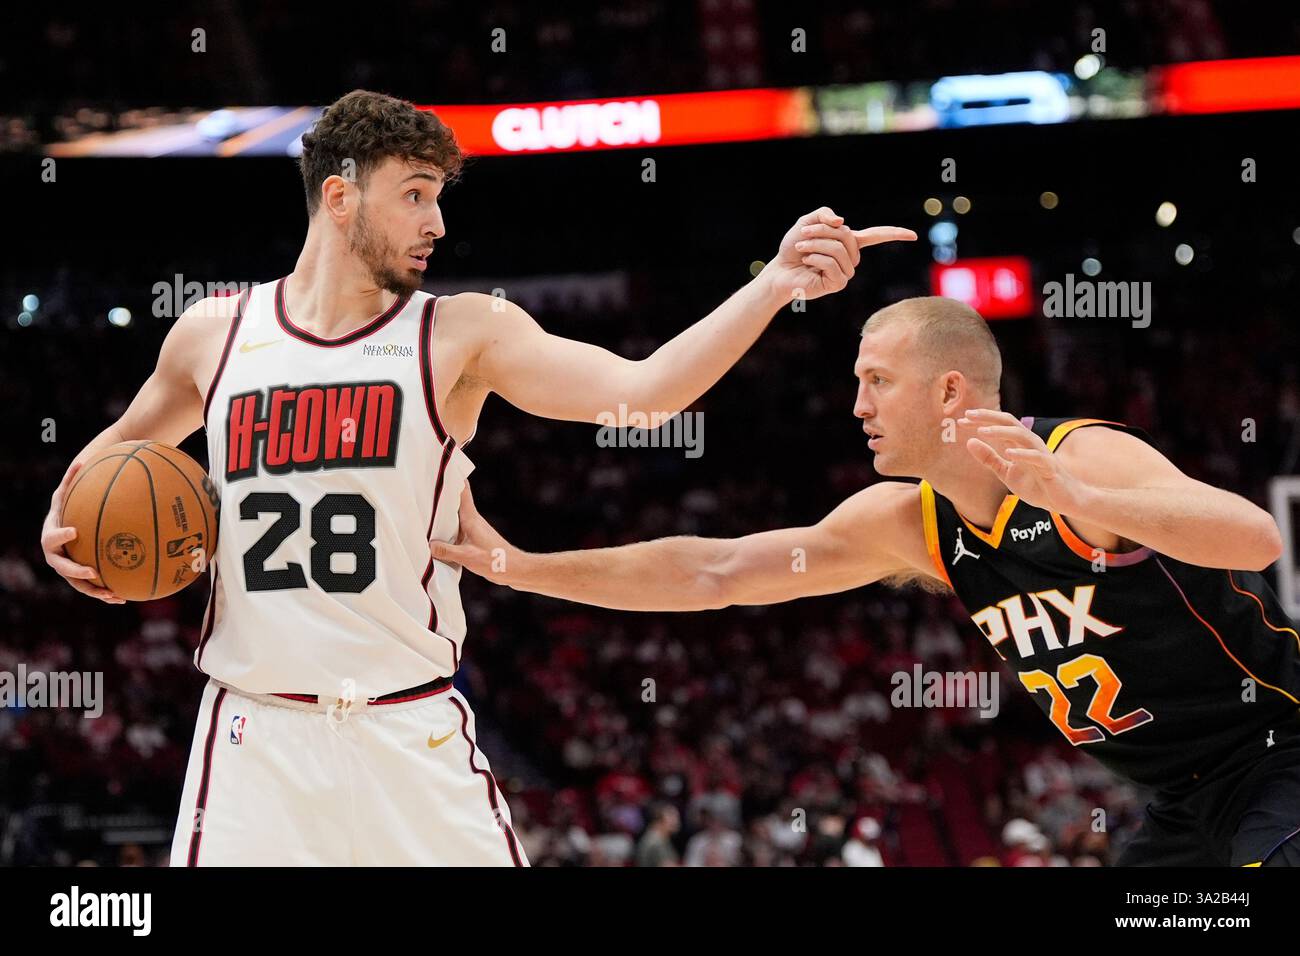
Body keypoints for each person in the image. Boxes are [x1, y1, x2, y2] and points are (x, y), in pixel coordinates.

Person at [37, 90, 912, 866]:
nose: (438, 224)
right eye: (414, 196)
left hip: (405, 725)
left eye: (441, 199)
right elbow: (106, 464)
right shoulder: (211, 336)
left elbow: (644, 396)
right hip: (251, 732)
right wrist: (58, 521)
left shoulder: (461, 335)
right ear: (339, 197)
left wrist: (773, 286)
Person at [435, 294, 1300, 867]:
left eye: (878, 382)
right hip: (1179, 806)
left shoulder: (1079, 458)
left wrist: (1081, 497)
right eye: (858, 383)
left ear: (951, 390)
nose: (858, 405)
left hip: (1279, 760)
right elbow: (716, 569)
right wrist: (521, 567)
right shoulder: (911, 521)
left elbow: (1253, 538)